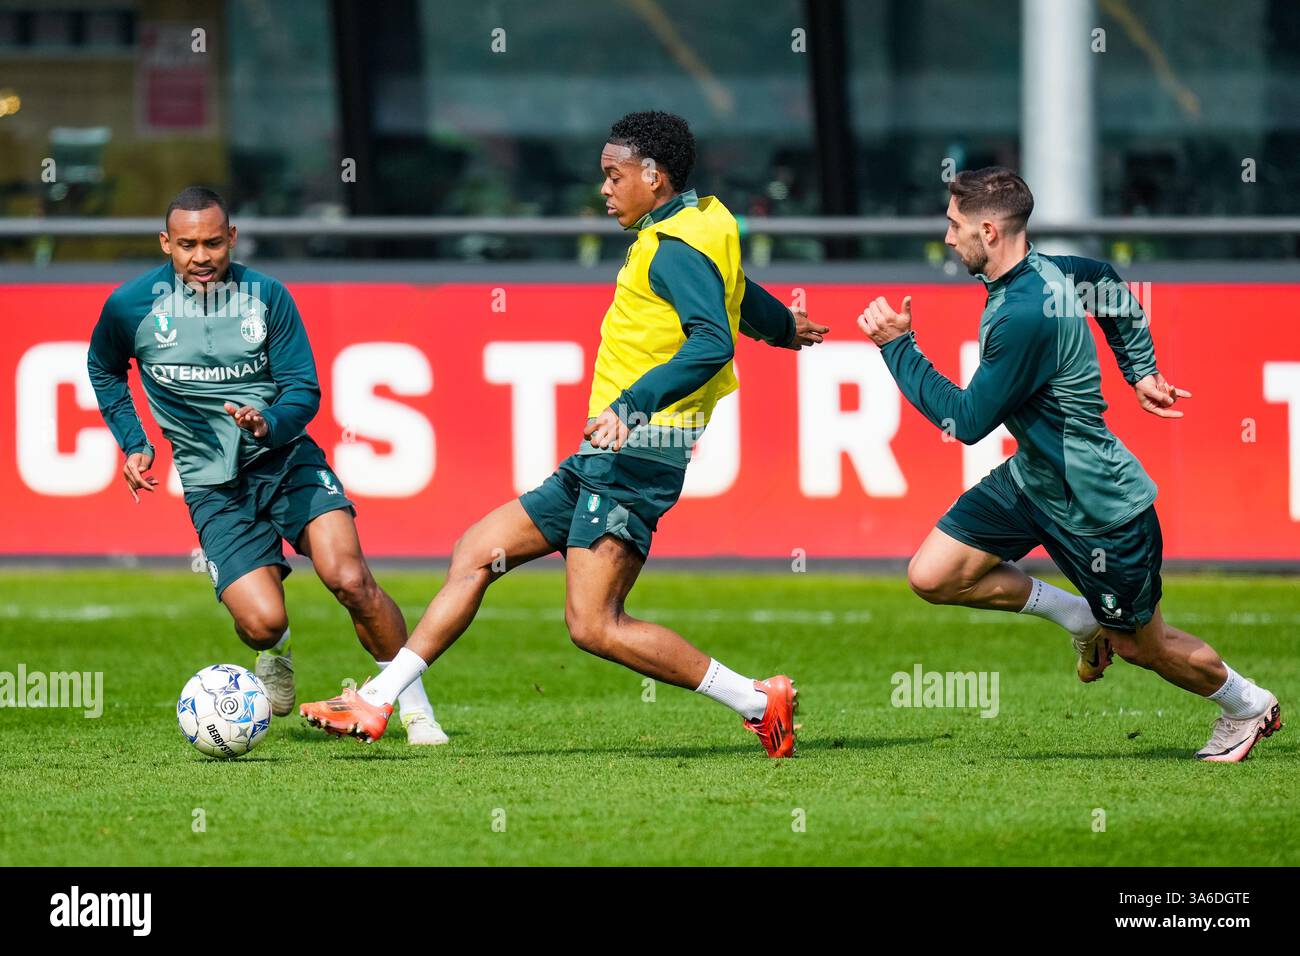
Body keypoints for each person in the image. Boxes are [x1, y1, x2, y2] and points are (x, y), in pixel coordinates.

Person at [300, 111, 829, 757]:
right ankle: (380, 702)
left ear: (654, 176)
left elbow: (712, 341)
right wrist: (781, 327)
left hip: (639, 449)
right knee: (476, 551)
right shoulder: (704, 219)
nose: (604, 190)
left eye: (614, 176)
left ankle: (755, 699)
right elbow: (733, 291)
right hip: (606, 452)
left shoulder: (671, 248)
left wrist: (631, 405)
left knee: (594, 624)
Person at [858, 166, 1280, 762]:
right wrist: (1141, 371)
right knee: (933, 574)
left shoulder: (1022, 314)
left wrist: (897, 347)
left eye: (954, 226)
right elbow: (1107, 283)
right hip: (1035, 482)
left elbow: (968, 420)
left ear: (988, 229)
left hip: (1098, 509)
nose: (947, 239)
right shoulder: (1047, 272)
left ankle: (1247, 705)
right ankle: (1080, 617)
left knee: (1143, 647)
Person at [87, 186, 446, 745]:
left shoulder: (267, 296)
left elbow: (305, 387)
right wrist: (134, 441)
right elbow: (104, 369)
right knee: (262, 623)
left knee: (349, 579)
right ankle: (275, 653)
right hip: (212, 486)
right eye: (186, 245)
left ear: (231, 238)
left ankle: (413, 708)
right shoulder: (130, 306)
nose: (200, 257)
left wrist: (269, 423)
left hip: (286, 461)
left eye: (212, 242)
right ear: (166, 243)